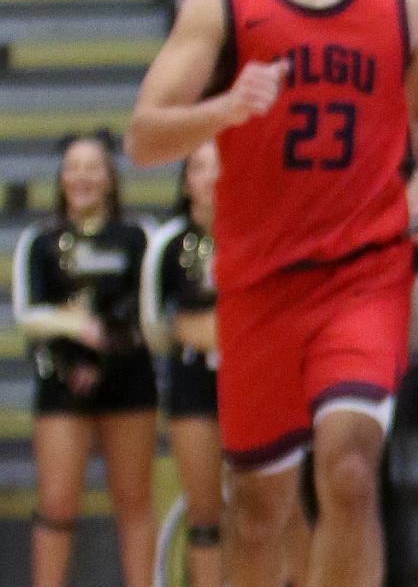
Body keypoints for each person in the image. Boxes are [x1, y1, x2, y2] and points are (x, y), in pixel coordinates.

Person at [126, 0, 418, 587]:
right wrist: (224, 109)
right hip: (258, 285)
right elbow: (143, 136)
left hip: (365, 271)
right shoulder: (223, 1)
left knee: (348, 471)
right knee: (257, 510)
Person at [14, 130, 158, 587]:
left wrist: (109, 338)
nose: (82, 177)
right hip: (63, 381)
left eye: (92, 167)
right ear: (60, 179)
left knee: (134, 502)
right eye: (72, 168)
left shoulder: (139, 235)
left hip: (128, 379)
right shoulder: (39, 241)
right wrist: (77, 328)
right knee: (56, 504)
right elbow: (28, 314)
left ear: (111, 177)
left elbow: (150, 311)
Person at [141, 140, 224, 587]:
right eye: (199, 167)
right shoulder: (168, 244)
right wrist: (189, 331)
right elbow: (154, 322)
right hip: (193, 382)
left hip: (253, 382)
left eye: (220, 166)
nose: (211, 176)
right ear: (186, 179)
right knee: (205, 514)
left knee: (267, 506)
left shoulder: (258, 233)